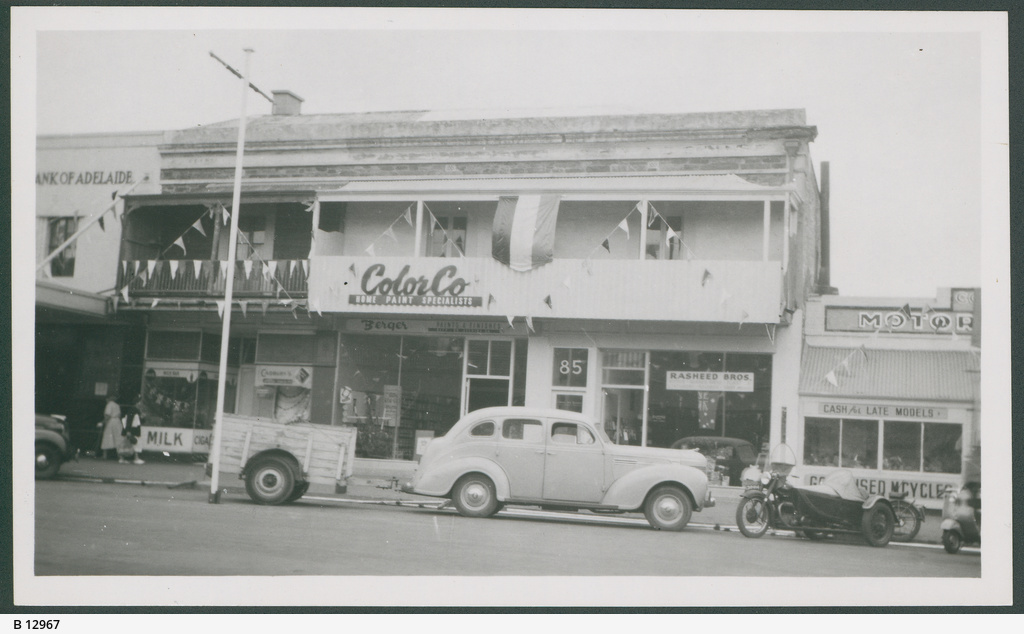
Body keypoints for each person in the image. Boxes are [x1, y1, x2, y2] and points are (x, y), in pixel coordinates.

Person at [98, 394, 123, 460]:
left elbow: (107, 415)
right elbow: (119, 415)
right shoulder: (117, 405)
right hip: (117, 422)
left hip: (111, 422)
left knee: (107, 437)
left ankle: (104, 455)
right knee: (118, 437)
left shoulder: (109, 405)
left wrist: (102, 422)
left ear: (108, 399)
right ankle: (120, 456)